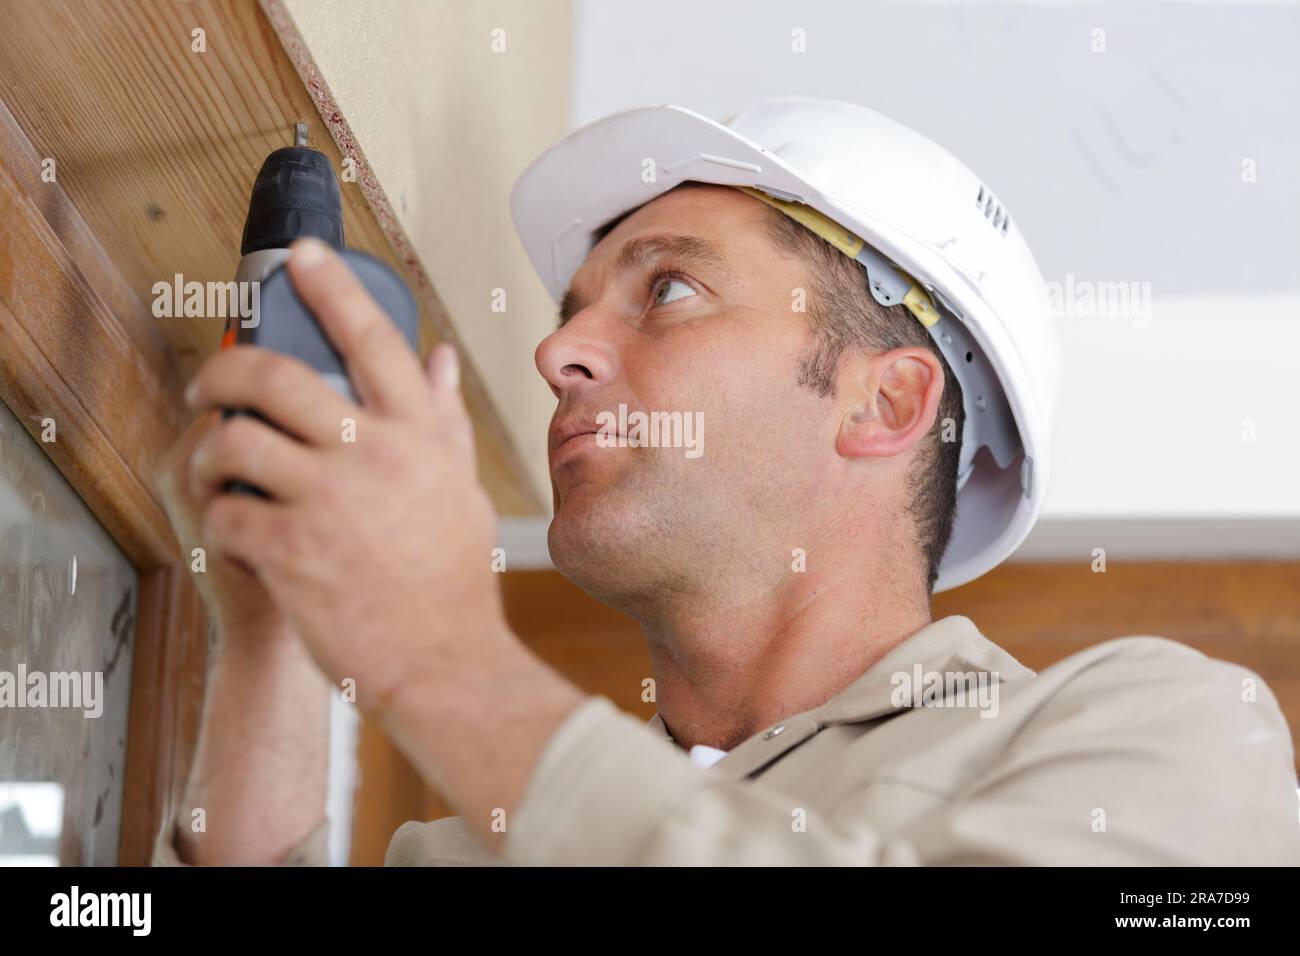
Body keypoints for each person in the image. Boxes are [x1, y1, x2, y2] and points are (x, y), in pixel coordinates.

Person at [155, 98, 1300, 866]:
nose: (558, 357)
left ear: (885, 402)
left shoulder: (1173, 735)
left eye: (666, 291)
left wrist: (437, 650)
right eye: (568, 317)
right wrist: (273, 630)